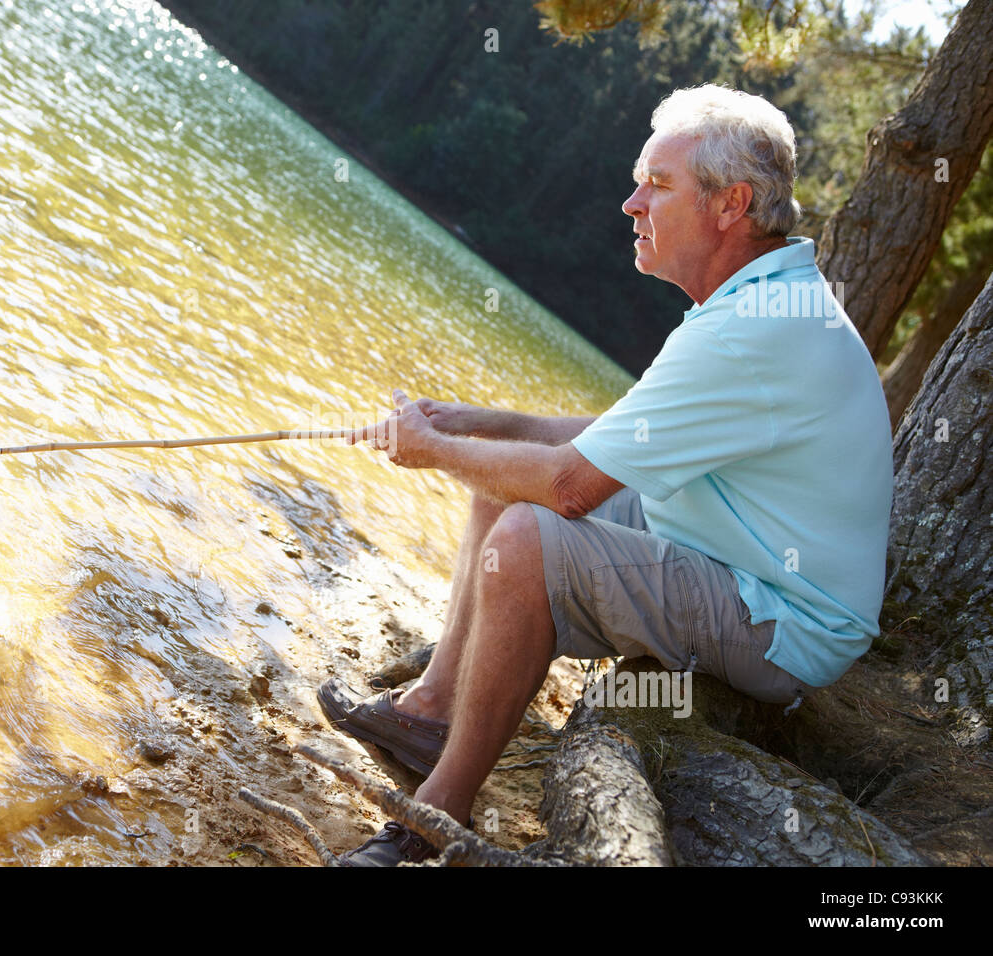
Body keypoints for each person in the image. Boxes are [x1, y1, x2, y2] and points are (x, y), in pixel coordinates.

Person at [318, 84, 893, 866]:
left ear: (732, 205)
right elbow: (610, 444)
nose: (631, 203)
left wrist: (430, 449)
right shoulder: (760, 302)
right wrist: (478, 425)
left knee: (529, 532)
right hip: (732, 549)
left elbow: (569, 488)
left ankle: (433, 822)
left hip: (784, 620)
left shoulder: (754, 332)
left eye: (658, 185)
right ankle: (429, 712)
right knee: (504, 481)